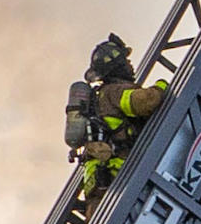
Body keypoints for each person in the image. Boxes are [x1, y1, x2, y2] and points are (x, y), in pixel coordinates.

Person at [66, 35, 171, 199]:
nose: (130, 65)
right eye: (125, 61)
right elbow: (145, 102)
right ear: (118, 66)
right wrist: (162, 86)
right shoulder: (113, 91)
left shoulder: (99, 97)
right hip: (119, 176)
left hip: (101, 185)